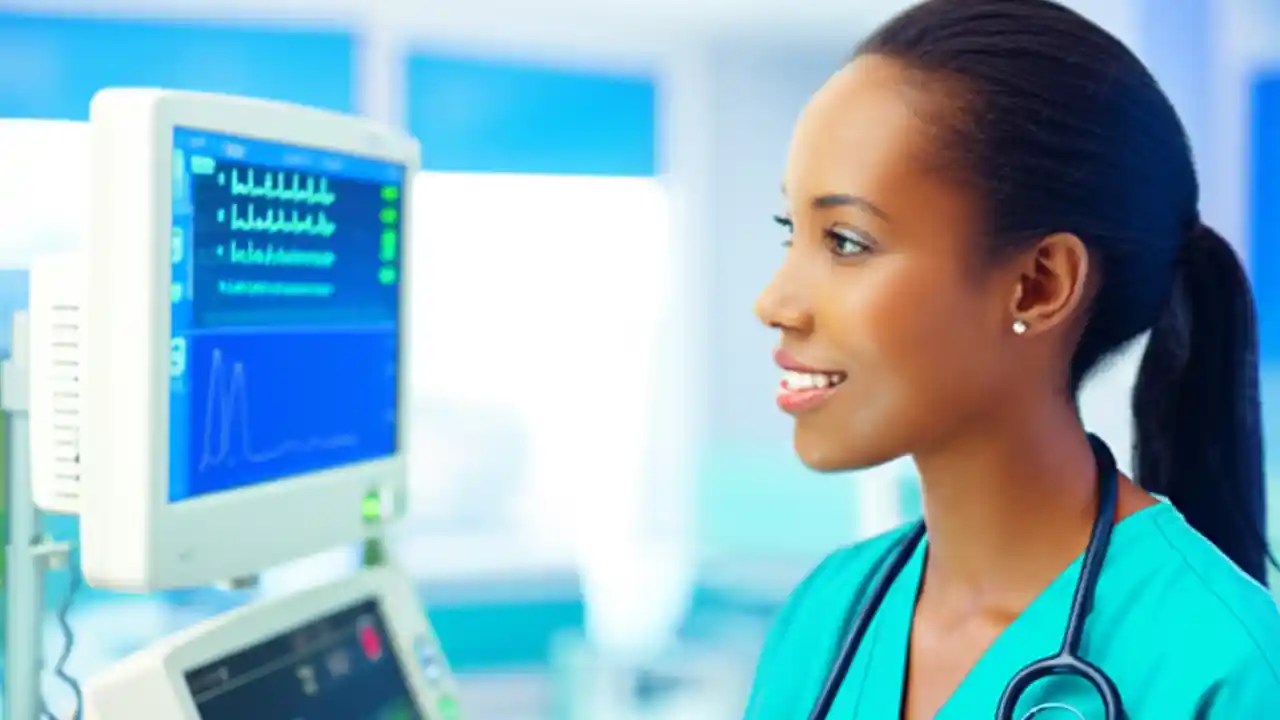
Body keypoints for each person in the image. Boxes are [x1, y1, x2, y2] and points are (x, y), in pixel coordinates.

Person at [746, 0, 1280, 718]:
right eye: (792, 231)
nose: (776, 302)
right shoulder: (826, 617)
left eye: (846, 241)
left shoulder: (1228, 666)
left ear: (1039, 284)